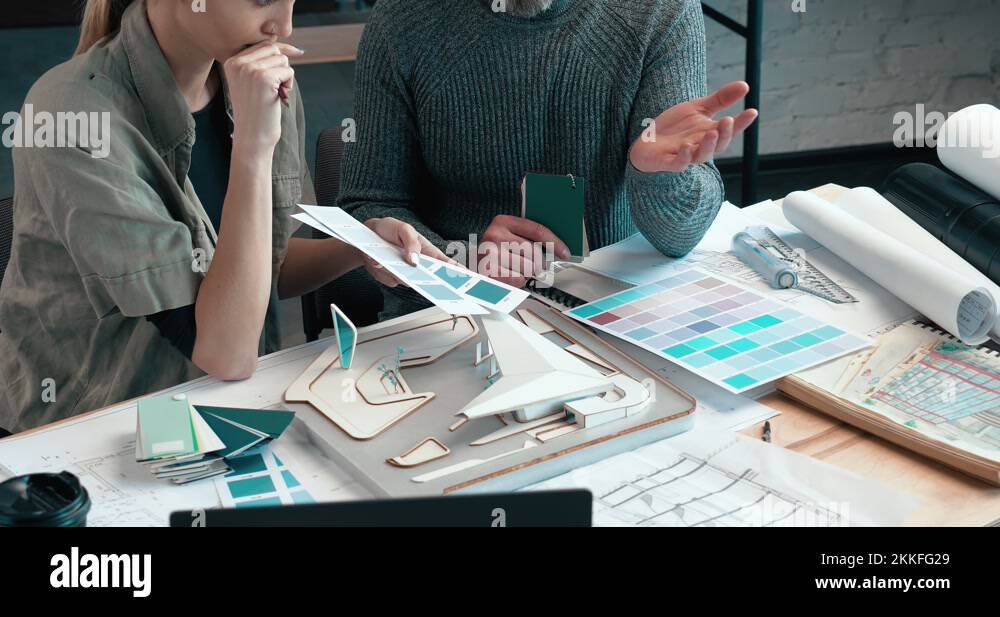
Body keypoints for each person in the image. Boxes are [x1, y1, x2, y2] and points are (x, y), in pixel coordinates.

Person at [0, 0, 446, 433]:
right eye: (262, 1)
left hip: (216, 407)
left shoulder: (253, 81)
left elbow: (259, 267)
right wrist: (253, 145)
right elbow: (226, 353)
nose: (284, 26)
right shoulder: (73, 116)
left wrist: (359, 247)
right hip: (91, 429)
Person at [339, 0, 758, 319]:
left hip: (615, 309)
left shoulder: (658, 11)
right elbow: (368, 207)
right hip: (453, 317)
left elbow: (680, 237)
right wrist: (462, 263)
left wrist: (658, 177)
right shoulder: (403, 18)